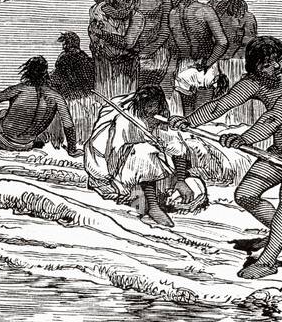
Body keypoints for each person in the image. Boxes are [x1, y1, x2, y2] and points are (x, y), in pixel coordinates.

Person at [176, 36, 282, 278]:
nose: (276, 67)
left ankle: (267, 262)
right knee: (245, 195)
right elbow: (219, 105)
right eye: (266, 65)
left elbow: (274, 117)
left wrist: (244, 139)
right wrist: (188, 121)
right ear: (256, 69)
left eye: (278, 60)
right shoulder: (254, 82)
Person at [84, 86, 208, 228]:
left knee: (194, 186)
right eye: (149, 107)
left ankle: (154, 198)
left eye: (155, 106)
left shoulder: (159, 117)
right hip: (111, 171)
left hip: (142, 174)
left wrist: (180, 180)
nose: (153, 110)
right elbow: (114, 155)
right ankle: (152, 207)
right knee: (143, 153)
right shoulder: (125, 121)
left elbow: (177, 147)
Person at [0, 56, 79, 154]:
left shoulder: (19, 89)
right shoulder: (56, 96)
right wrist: (72, 150)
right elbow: (69, 125)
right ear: (45, 73)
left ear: (27, 71)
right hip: (26, 144)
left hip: (2, 139)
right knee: (3, 112)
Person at [167, 0, 229, 116]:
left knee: (188, 117)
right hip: (205, 66)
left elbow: (173, 45)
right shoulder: (206, 11)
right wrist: (208, 63)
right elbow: (222, 42)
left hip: (183, 67)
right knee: (203, 116)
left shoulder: (173, 13)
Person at [215, 0, 260, 124]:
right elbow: (249, 42)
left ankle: (228, 120)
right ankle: (239, 120)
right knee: (239, 91)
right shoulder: (248, 17)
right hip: (240, 61)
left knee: (226, 91)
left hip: (222, 59)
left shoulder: (219, 17)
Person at [51, 31, 96, 149]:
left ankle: (67, 143)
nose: (63, 46)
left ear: (69, 44)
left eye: (65, 43)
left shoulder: (64, 59)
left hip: (70, 99)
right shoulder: (85, 58)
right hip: (87, 99)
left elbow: (57, 78)